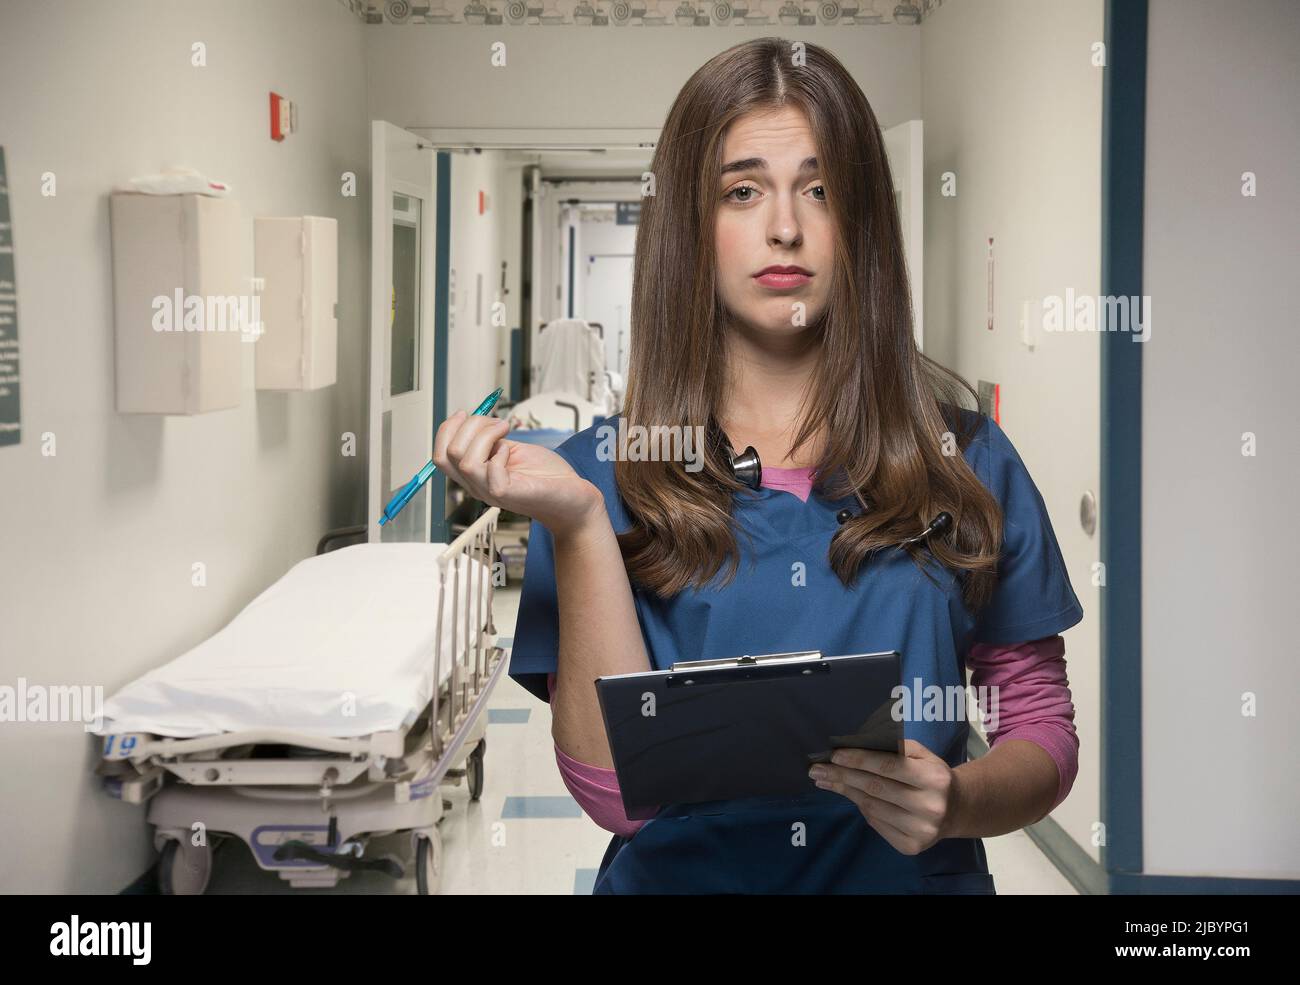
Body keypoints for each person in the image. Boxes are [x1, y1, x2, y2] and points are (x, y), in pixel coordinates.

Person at [432, 37, 1082, 894]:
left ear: (863, 223)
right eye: (743, 191)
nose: (785, 226)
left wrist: (956, 801)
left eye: (820, 190)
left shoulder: (965, 461)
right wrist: (582, 523)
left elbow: (1041, 725)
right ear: (690, 229)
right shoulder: (598, 479)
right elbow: (619, 799)